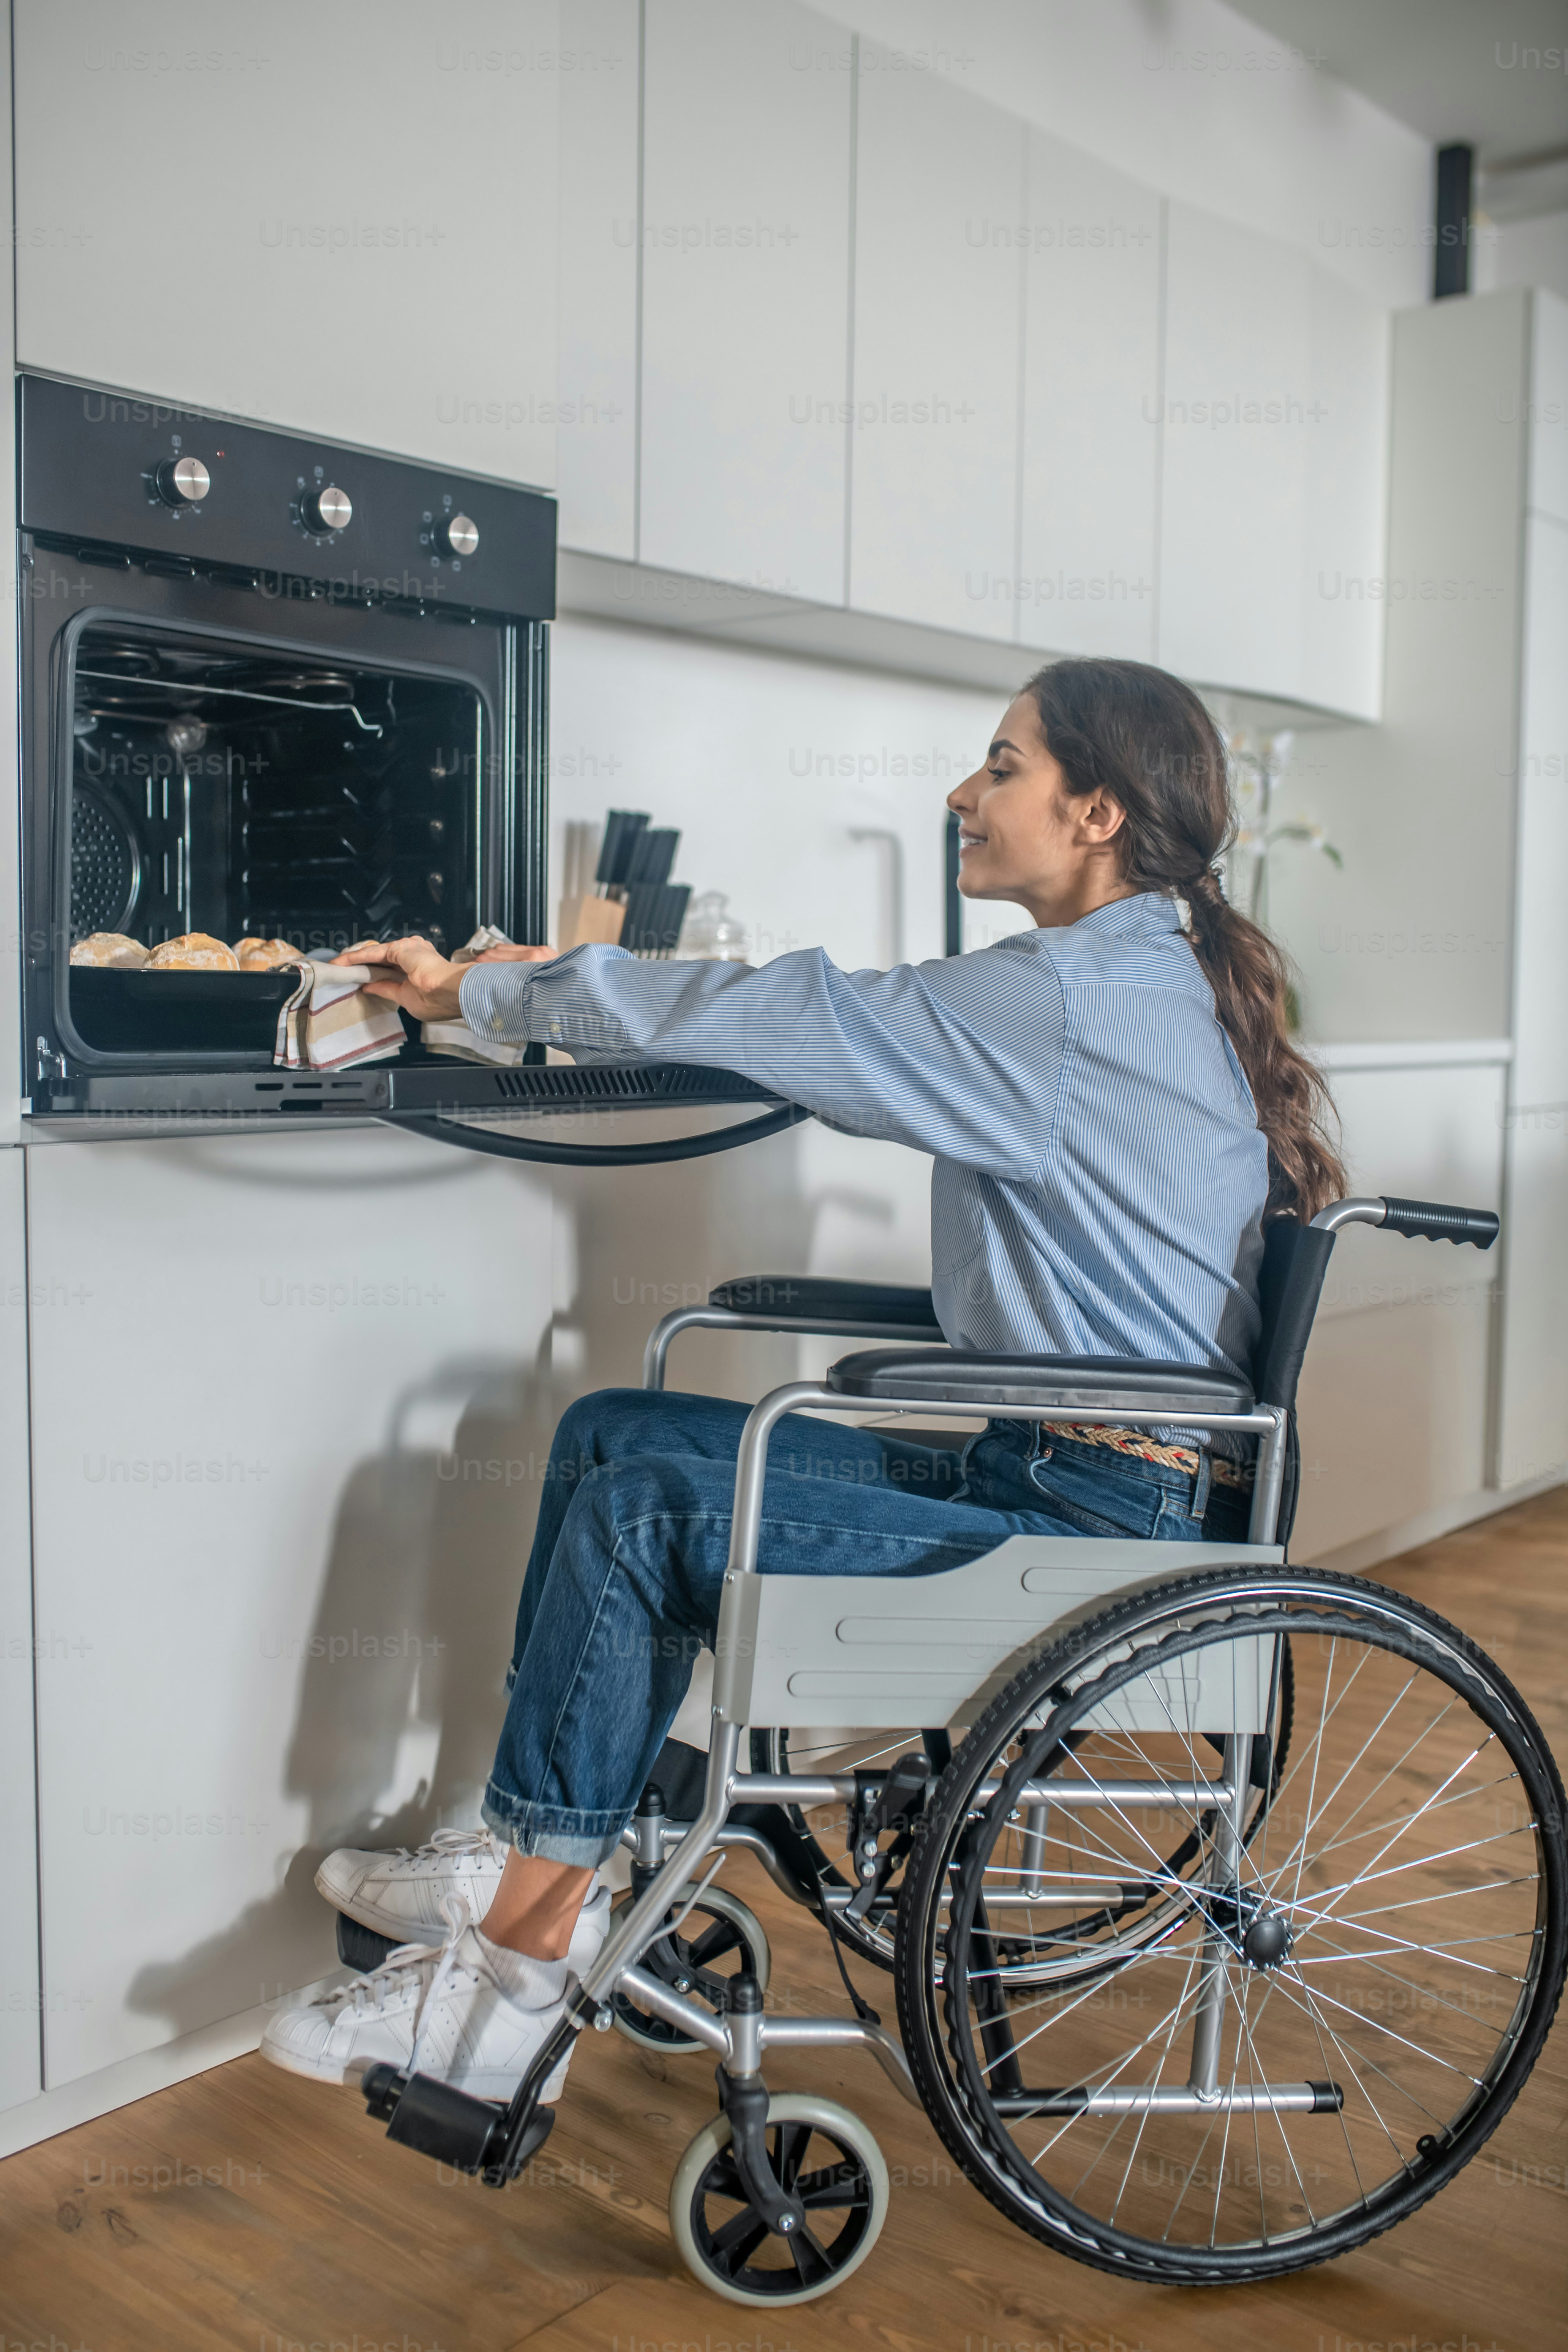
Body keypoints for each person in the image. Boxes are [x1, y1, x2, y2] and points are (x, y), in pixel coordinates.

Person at [260, 656, 1344, 2100]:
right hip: (1050, 1464)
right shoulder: (1134, 969)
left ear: (1098, 813)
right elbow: (814, 1017)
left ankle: (512, 1983)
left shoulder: (1063, 1000)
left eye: (1002, 766)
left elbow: (795, 1009)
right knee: (614, 1429)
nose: (964, 792)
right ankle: (533, 1847)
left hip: (1095, 1523)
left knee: (646, 1511)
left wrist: (490, 989)